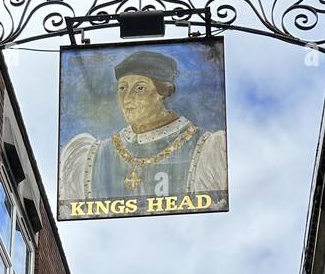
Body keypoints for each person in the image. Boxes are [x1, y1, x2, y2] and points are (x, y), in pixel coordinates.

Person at [58, 49, 228, 205]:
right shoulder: (92, 156)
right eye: (122, 88)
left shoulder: (206, 149)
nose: (127, 99)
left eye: (140, 88)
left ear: (163, 92)